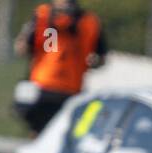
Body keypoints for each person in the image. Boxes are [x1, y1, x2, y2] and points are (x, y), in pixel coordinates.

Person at [13, 0, 107, 135]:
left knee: (39, 133)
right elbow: (101, 59)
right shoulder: (90, 21)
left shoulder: (43, 14)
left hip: (44, 85)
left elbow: (22, 48)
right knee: (62, 135)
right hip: (71, 89)